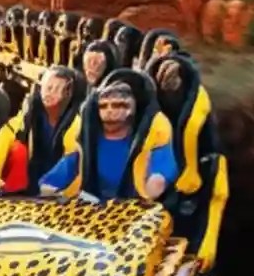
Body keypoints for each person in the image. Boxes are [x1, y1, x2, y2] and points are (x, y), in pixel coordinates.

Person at [38, 69, 178, 201]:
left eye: (118, 105)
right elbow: (68, 165)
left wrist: (159, 178)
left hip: (135, 208)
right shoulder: (87, 141)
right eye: (104, 106)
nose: (110, 111)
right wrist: (51, 185)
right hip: (93, 207)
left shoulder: (151, 136)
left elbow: (164, 165)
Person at [144, 53, 228, 272]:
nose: (169, 87)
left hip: (197, 179)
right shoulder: (151, 125)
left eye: (175, 82)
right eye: (163, 83)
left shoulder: (199, 112)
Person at [5, 65, 86, 193]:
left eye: (56, 89)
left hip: (60, 188)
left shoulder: (77, 121)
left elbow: (73, 158)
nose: (49, 93)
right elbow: (9, 131)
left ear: (68, 92)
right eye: (47, 88)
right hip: (31, 176)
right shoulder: (31, 112)